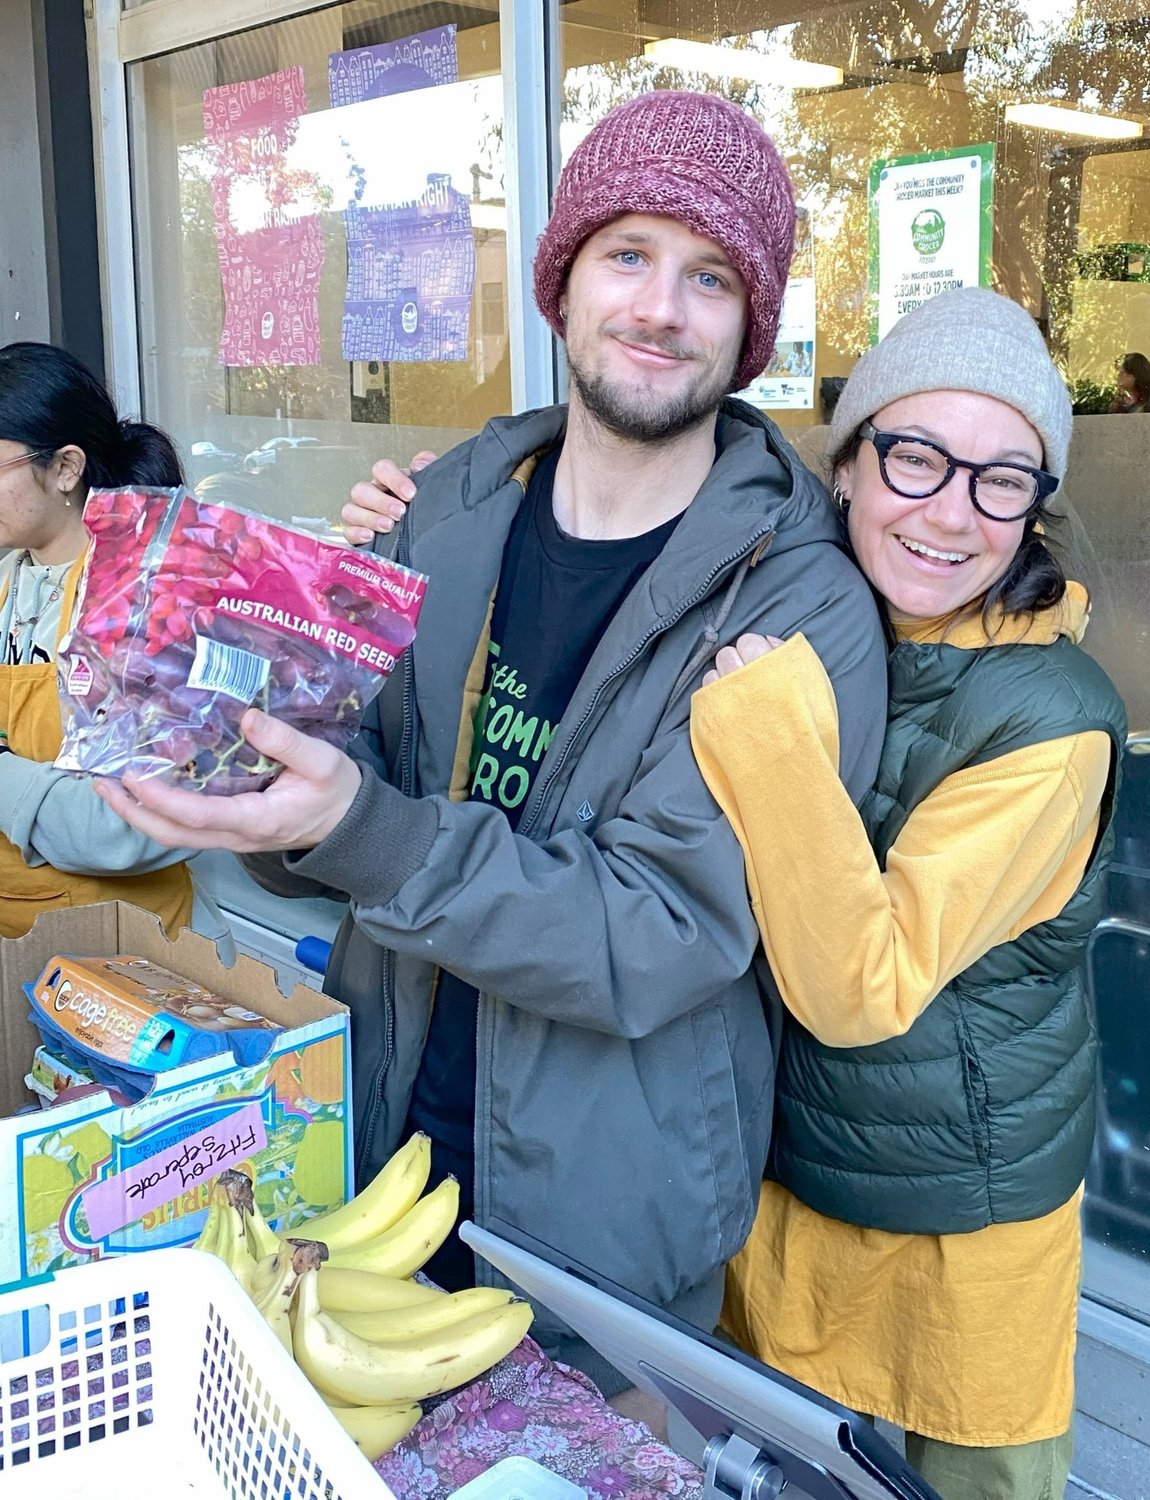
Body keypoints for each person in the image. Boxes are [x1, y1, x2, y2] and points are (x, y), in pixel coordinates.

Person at [99, 92, 887, 1395]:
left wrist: (349, 823)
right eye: (627, 254)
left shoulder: (798, 605)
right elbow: (340, 826)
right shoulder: (440, 514)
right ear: (561, 284)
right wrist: (251, 753)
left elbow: (665, 926)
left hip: (606, 1220)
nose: (660, 306)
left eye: (709, 276)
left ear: (750, 327)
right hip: (374, 1141)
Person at [686, 287, 1127, 1500]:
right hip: (792, 1177)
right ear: (846, 464)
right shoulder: (823, 622)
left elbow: (856, 989)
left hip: (954, 1240)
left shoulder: (1051, 726)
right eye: (917, 456)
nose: (950, 513)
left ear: (1036, 510)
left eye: (1002, 479)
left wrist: (767, 737)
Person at [0, 342, 227, 943]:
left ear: (66, 468)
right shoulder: (6, 581)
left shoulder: (149, 603)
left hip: (126, 948)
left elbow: (129, 828)